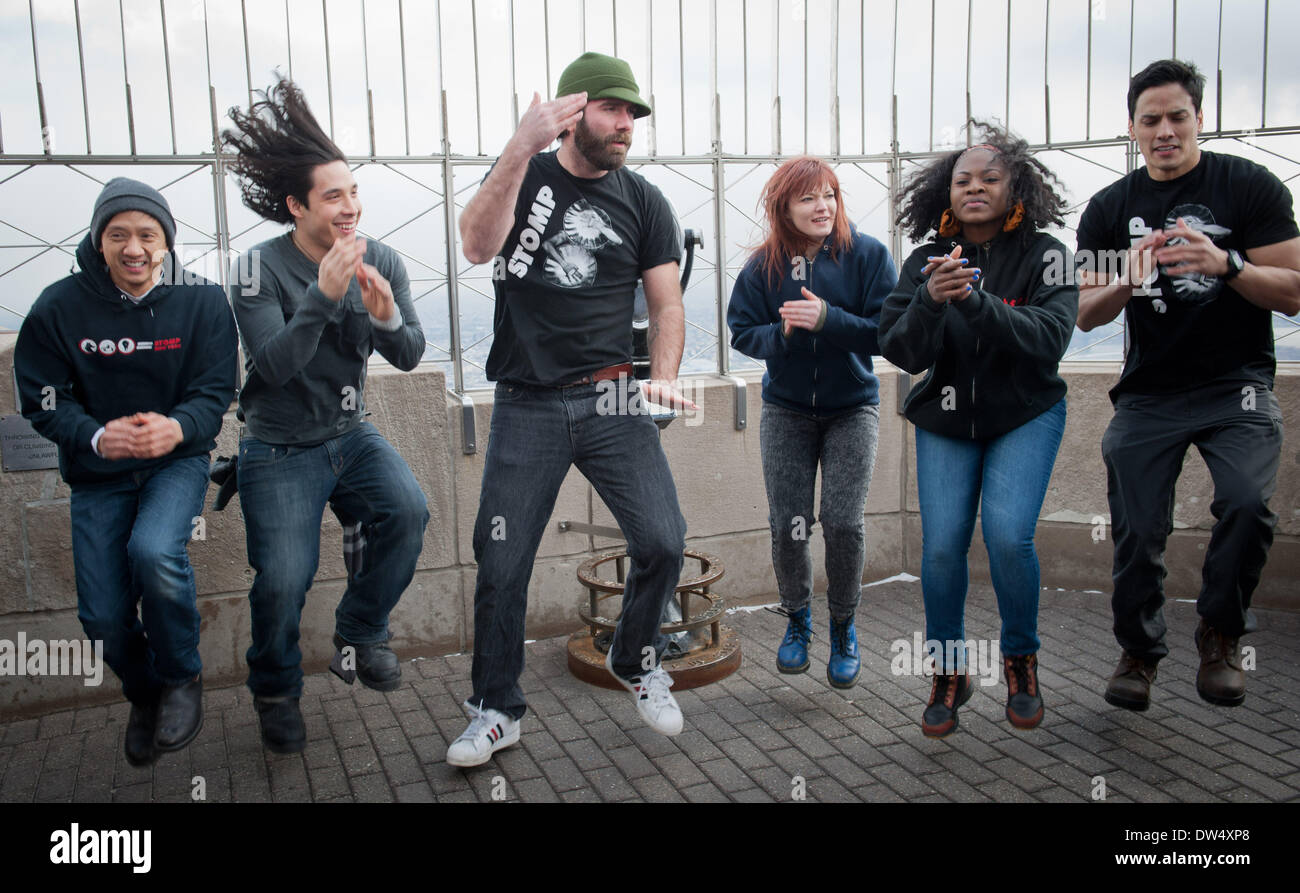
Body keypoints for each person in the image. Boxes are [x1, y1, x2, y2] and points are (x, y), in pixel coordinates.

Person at [449, 51, 696, 767]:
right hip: (527, 400)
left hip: (614, 392)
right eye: (612, 109)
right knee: (500, 559)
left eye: (633, 114)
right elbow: (474, 244)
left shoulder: (645, 201)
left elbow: (668, 301)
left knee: (663, 541)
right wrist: (519, 147)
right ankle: (496, 709)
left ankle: (634, 655)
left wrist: (667, 375)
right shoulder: (523, 176)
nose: (625, 124)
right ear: (571, 110)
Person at [1075, 59, 1300, 712]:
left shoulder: (1248, 185)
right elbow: (1084, 312)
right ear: (1132, 128)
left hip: (1239, 388)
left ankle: (1221, 630)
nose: (1166, 130)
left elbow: (1292, 292)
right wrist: (1128, 279)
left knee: (1247, 504)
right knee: (1138, 528)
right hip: (1151, 392)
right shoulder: (1112, 208)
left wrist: (1225, 263)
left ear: (1200, 118)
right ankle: (1139, 651)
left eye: (1178, 116)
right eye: (1152, 120)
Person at [220, 78, 430, 754]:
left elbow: (409, 352)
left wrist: (384, 313)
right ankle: (276, 688)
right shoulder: (257, 271)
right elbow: (274, 366)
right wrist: (323, 295)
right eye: (333, 196)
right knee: (282, 577)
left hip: (348, 434)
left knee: (407, 511)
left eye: (354, 192)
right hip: (278, 448)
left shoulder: (384, 259)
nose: (350, 208)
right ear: (296, 205)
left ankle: (361, 629)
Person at [15, 178, 239, 765]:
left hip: (175, 464)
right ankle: (145, 695)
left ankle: (183, 678)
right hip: (98, 476)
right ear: (98, 240)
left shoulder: (204, 301)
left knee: (154, 552)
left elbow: (216, 389)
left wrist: (180, 427)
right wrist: (93, 434)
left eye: (148, 234)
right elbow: (40, 398)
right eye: (118, 235)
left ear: (166, 243)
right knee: (102, 617)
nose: (133, 248)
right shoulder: (57, 307)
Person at [879, 123, 1078, 737]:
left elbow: (1049, 340)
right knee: (940, 549)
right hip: (946, 417)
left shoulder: (1046, 254)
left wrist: (974, 302)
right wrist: (930, 301)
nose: (975, 188)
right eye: (963, 179)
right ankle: (949, 671)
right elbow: (901, 351)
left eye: (990, 178)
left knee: (1008, 536)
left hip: (1025, 413)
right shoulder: (923, 261)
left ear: (1015, 186)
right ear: (946, 190)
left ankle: (1020, 661)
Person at [727, 156, 896, 689]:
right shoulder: (763, 267)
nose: (822, 206)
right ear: (784, 207)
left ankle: (843, 627)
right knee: (790, 526)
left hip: (853, 408)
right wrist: (782, 337)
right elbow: (742, 331)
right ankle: (797, 620)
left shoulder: (867, 255)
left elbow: (887, 334)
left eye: (830, 195)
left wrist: (828, 320)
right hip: (787, 412)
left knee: (843, 522)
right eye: (808, 198)